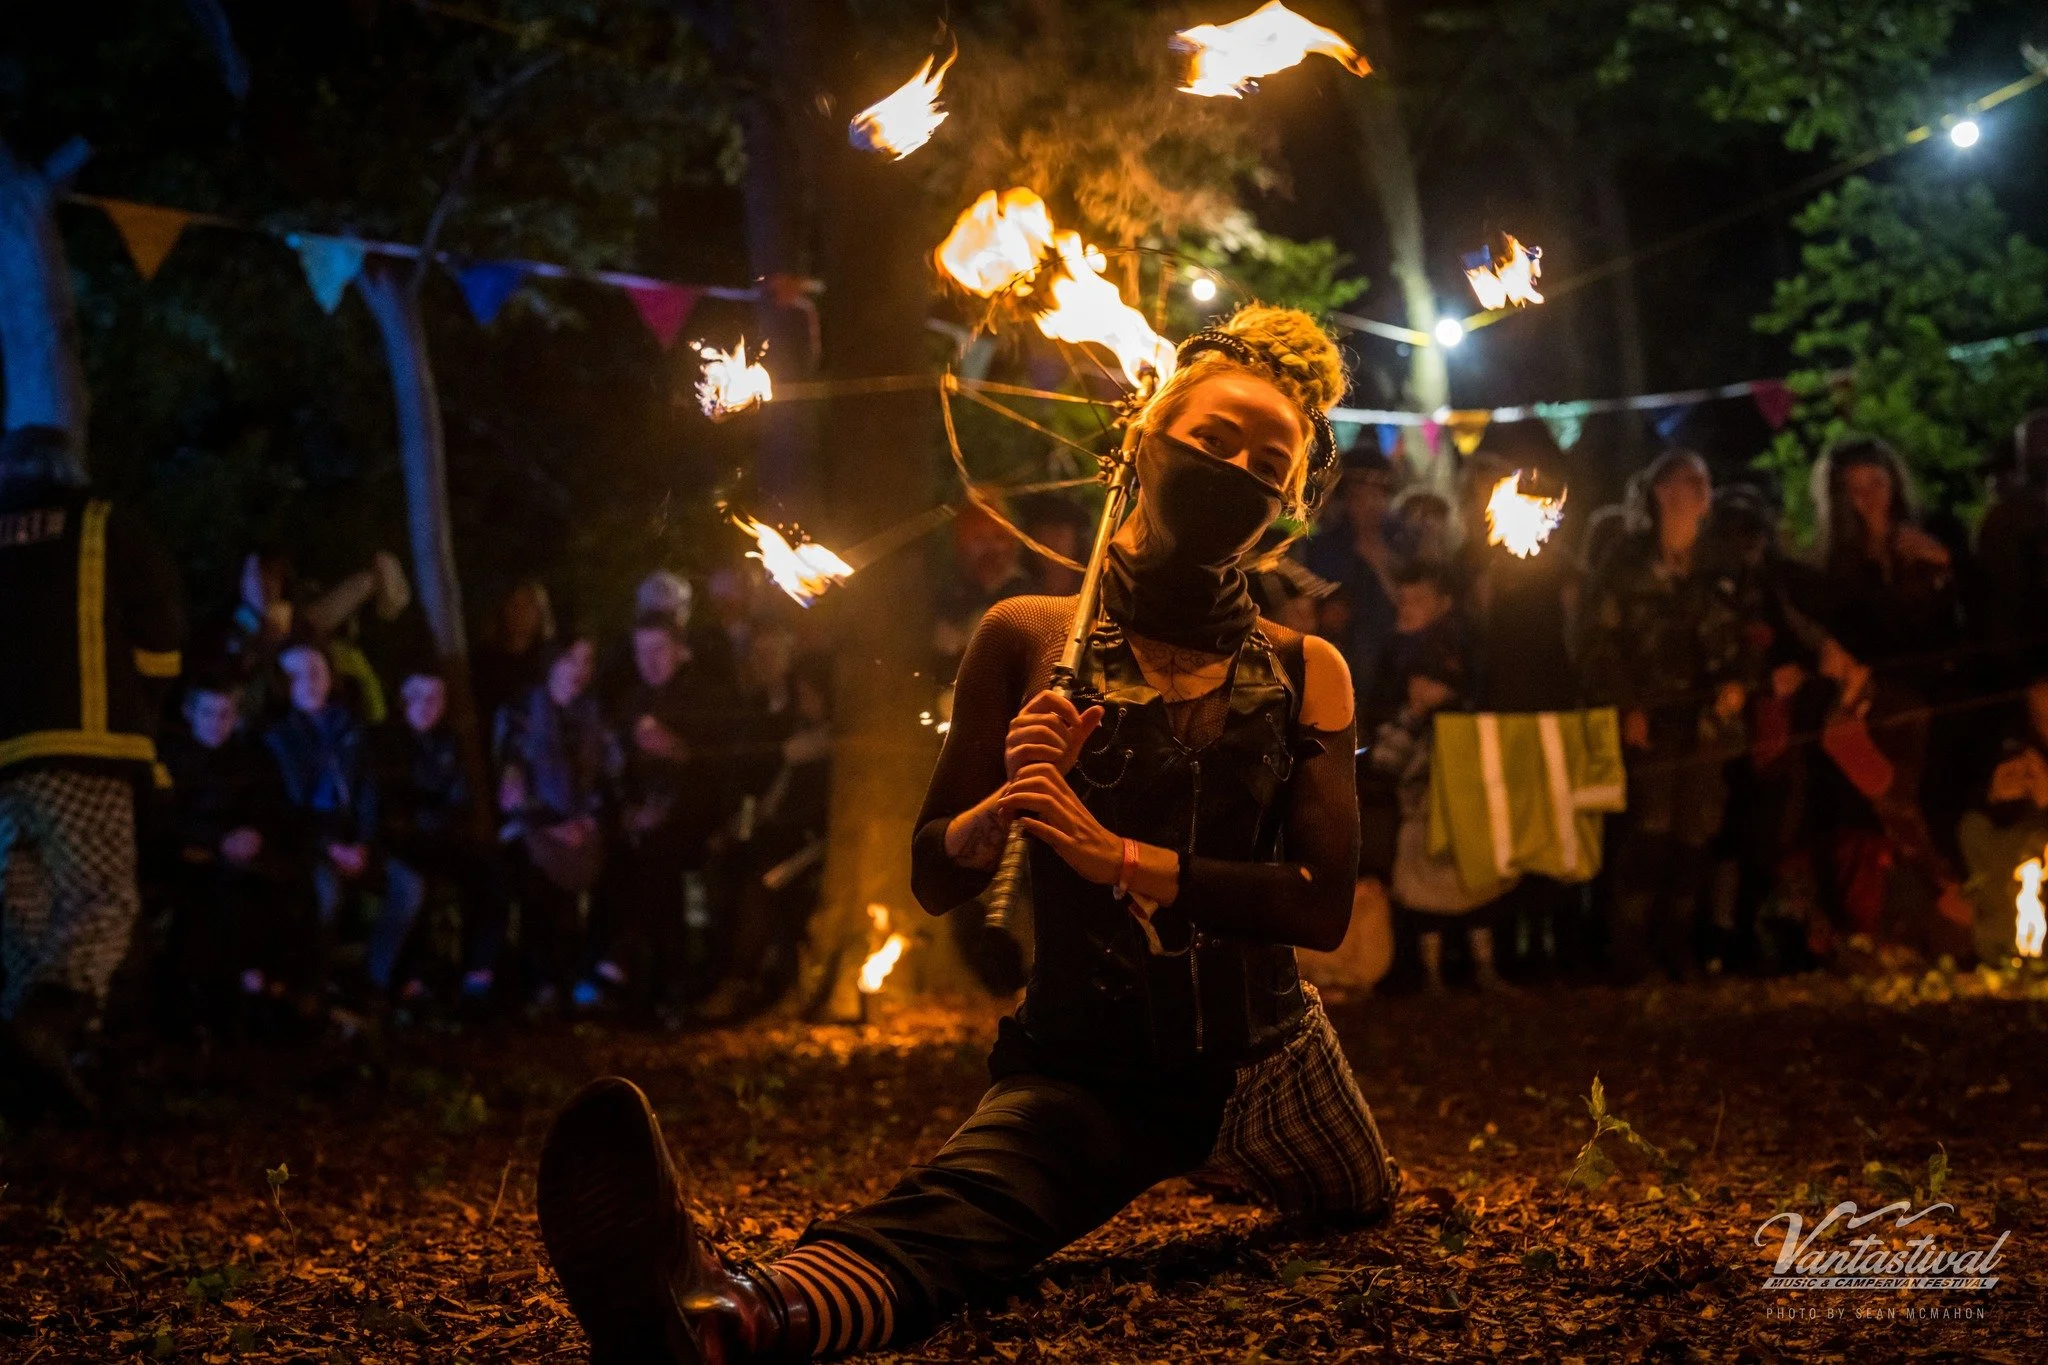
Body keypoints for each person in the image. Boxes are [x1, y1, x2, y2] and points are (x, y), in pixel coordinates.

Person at [531, 305, 1393, 1362]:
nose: (1239, 470)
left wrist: (1113, 854)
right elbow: (931, 872)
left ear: (1289, 508)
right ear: (1140, 441)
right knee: (962, 1211)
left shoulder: (1308, 668)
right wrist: (992, 820)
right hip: (1095, 1063)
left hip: (1267, 1056)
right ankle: (724, 1315)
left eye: (1271, 462)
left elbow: (1315, 901)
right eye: (1213, 440)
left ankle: (1246, 1163)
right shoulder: (1027, 634)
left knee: (1359, 1201)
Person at [0, 425, 183, 1113]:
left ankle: (33, 1068)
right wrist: (147, 706)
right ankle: (48, 1022)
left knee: (24, 908)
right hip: (85, 750)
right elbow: (160, 633)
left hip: (1, 771)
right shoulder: (102, 524)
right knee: (100, 896)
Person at [1578, 450, 1755, 980]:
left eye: (1705, 481)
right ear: (1662, 491)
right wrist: (1626, 704)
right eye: (1689, 481)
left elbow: (1751, 630)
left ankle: (1679, 943)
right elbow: (1596, 641)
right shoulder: (1626, 562)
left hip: (1709, 721)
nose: (1702, 492)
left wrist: (1740, 682)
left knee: (1695, 831)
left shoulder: (1723, 562)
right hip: (1651, 718)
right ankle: (1630, 947)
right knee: (1648, 831)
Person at [1365, 561, 1503, 991]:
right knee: (1424, 879)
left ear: (1442, 604)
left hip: (1462, 783)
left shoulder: (1462, 647)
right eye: (1402, 599)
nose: (1407, 607)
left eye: (1418, 599)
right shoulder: (1390, 655)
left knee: (1472, 872)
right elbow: (1381, 730)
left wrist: (1451, 698)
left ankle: (1483, 966)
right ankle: (1431, 973)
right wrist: (1414, 712)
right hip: (1415, 793)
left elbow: (1481, 699)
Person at [588, 612, 735, 1016]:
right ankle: (621, 973)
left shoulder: (707, 697)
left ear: (678, 649)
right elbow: (616, 771)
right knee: (615, 860)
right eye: (641, 653)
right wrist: (630, 810)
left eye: (658, 651)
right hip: (640, 821)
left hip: (694, 820)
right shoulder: (631, 701)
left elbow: (721, 770)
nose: (649, 662)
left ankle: (659, 975)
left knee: (658, 858)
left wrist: (678, 751)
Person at [266, 642, 426, 1001]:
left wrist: (365, 843)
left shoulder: (350, 728)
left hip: (356, 841)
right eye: (296, 675)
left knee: (408, 886)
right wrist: (328, 846)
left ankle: (373, 982)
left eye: (315, 672)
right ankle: (309, 984)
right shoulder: (277, 738)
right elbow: (286, 810)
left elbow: (369, 792)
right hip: (312, 844)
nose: (308, 682)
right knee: (324, 892)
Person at [160, 671, 300, 1024]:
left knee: (286, 889)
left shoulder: (248, 757)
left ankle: (273, 989)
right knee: (219, 897)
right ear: (191, 714)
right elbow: (164, 819)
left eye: (226, 714)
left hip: (248, 855)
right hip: (191, 856)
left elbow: (272, 805)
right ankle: (211, 999)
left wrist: (256, 833)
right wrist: (215, 841)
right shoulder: (171, 759)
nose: (217, 723)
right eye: (209, 713)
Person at [491, 635, 620, 1011]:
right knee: (530, 875)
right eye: (571, 660)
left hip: (582, 826)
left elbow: (608, 778)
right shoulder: (520, 713)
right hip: (533, 825)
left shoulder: (594, 715)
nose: (579, 671)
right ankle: (543, 982)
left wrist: (588, 819)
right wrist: (549, 824)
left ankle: (591, 974)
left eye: (587, 661)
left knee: (621, 868)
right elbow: (511, 785)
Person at [378, 669, 503, 1005]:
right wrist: (422, 815)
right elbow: (389, 802)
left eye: (436, 697)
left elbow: (460, 798)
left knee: (490, 871)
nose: (427, 706)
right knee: (420, 881)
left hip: (443, 836)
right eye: (418, 696)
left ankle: (479, 969)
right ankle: (414, 976)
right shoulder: (387, 742)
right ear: (403, 699)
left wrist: (445, 817)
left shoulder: (448, 742)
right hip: (400, 842)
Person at [471, 579, 556, 736]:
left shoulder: (551, 660)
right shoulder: (484, 661)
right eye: (513, 604)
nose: (520, 612)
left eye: (528, 605)